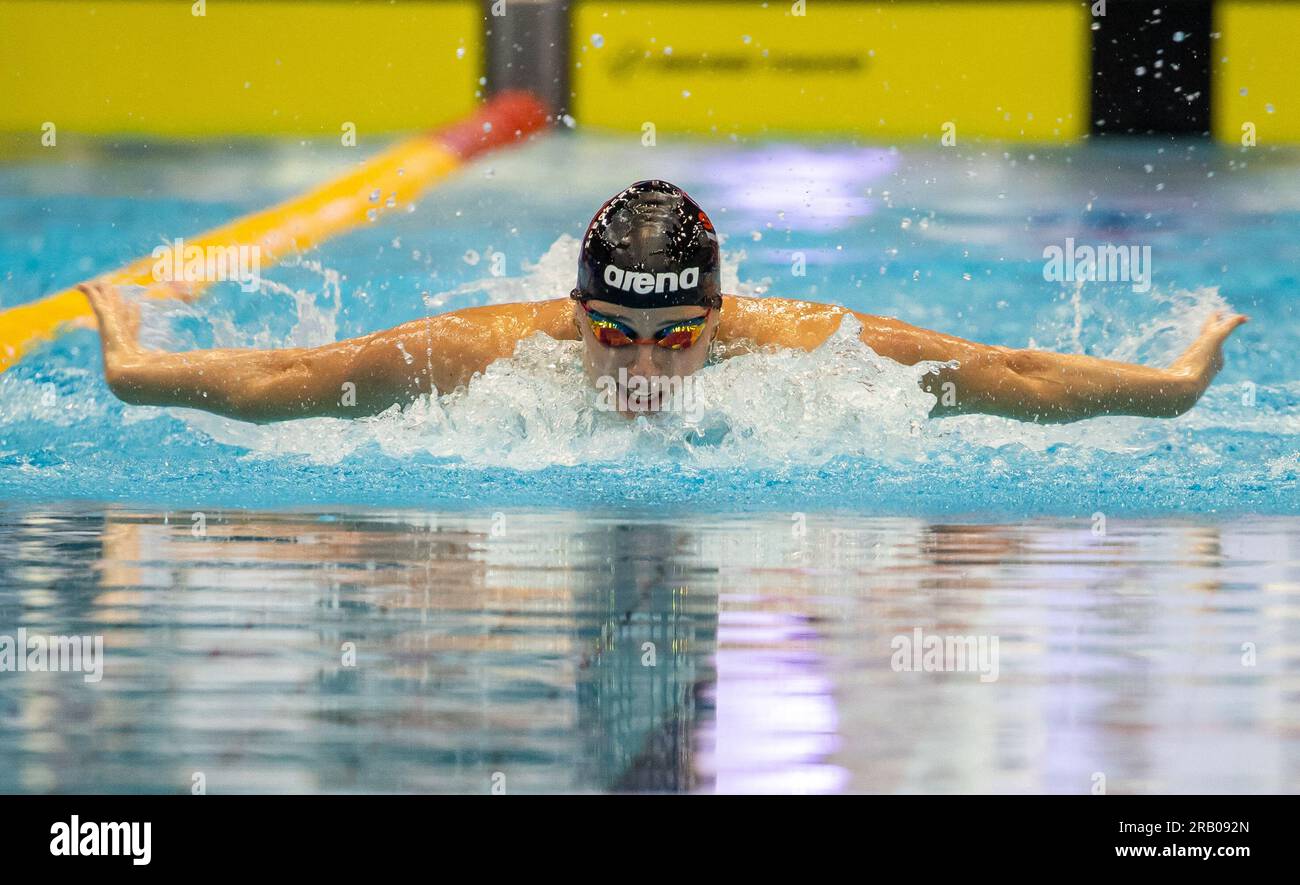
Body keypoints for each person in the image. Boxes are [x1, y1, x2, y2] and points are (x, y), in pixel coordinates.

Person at [80, 179, 1246, 425]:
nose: (642, 366)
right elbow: (298, 378)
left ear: (717, 315)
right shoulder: (494, 352)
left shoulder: (797, 348)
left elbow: (1012, 373)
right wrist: (135, 364)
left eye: (676, 336)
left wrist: (1173, 384)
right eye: (613, 334)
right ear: (574, 310)